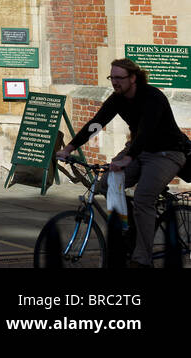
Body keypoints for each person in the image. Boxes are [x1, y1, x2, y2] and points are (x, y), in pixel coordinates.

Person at [57, 57, 189, 267]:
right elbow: (96, 124)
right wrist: (69, 148)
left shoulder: (152, 97)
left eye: (120, 78)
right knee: (106, 184)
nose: (115, 82)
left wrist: (127, 157)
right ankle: (130, 229)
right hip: (139, 150)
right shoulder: (117, 98)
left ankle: (142, 259)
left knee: (144, 198)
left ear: (133, 78)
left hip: (166, 152)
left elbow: (147, 130)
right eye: (112, 77)